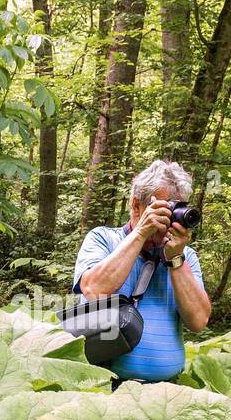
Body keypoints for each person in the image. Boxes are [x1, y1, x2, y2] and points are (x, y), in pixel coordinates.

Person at [73, 160, 212, 383]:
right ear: (136, 206)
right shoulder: (103, 239)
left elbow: (198, 321)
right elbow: (93, 290)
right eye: (164, 209)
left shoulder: (187, 257)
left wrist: (175, 258)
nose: (170, 220)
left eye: (177, 209)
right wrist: (140, 234)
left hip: (167, 391)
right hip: (106, 388)